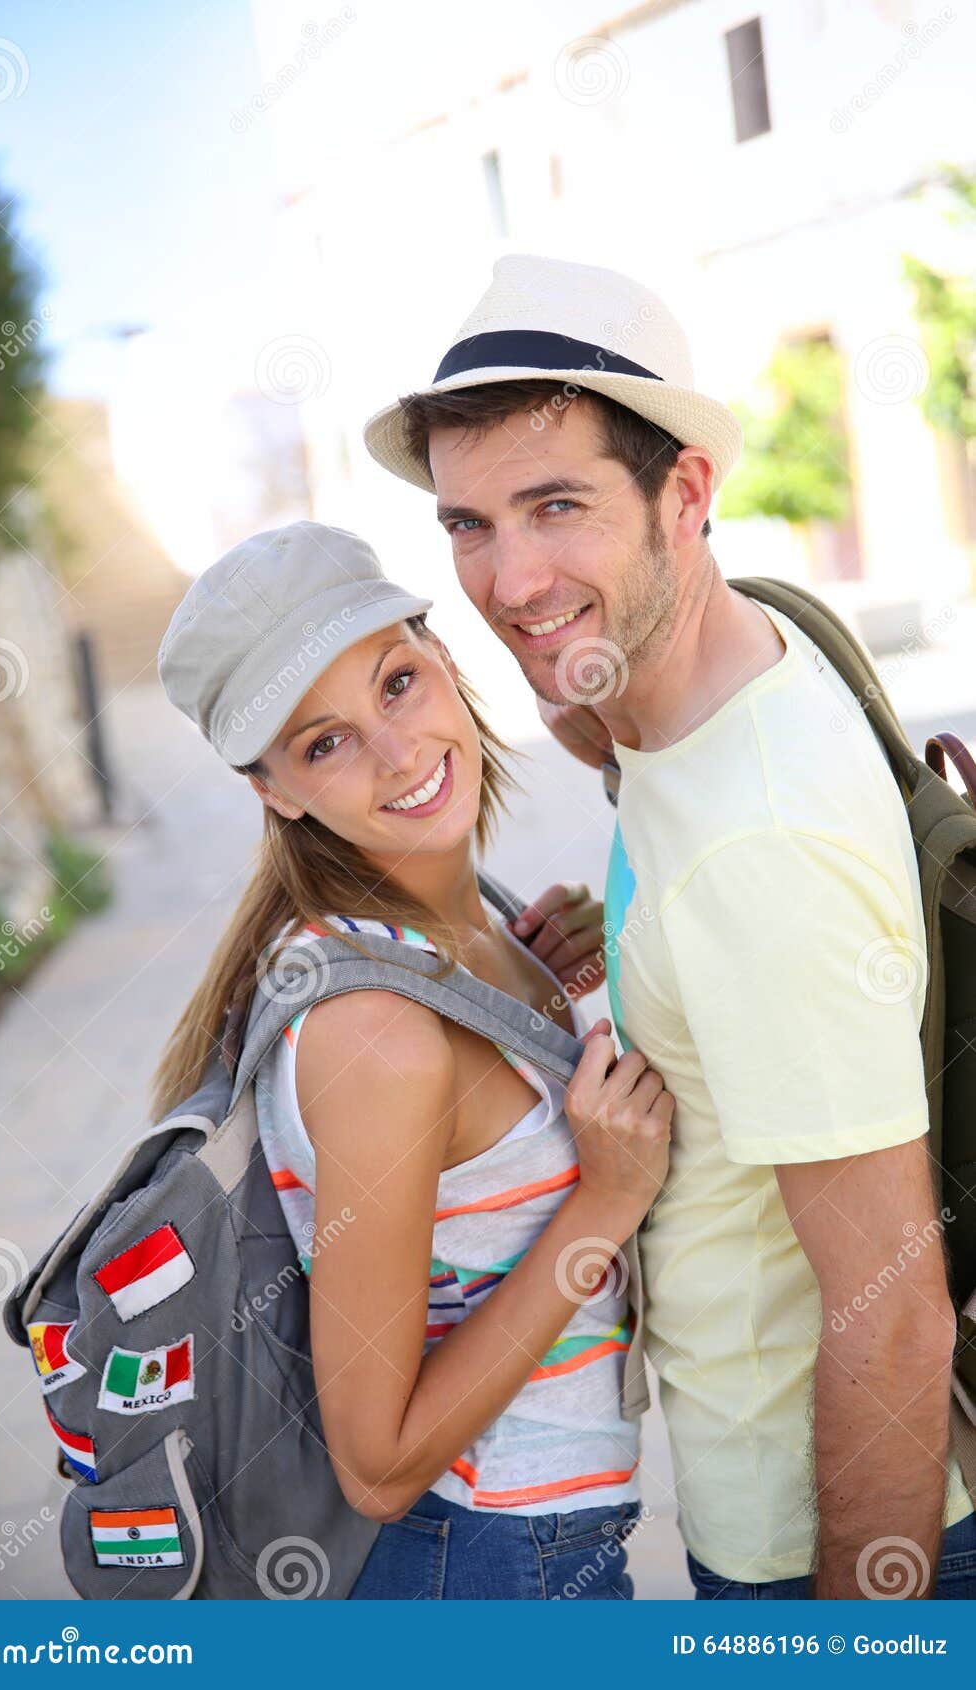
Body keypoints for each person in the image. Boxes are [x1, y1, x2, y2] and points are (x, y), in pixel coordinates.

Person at [360, 252, 976, 1599]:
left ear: (684, 494)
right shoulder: (723, 662)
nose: (508, 578)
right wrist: (640, 951)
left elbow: (891, 1321)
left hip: (822, 1535)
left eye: (556, 506)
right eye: (468, 523)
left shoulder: (755, 848)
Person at [153, 519, 674, 1600]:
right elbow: (378, 1463)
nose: (397, 755)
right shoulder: (378, 1034)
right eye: (324, 743)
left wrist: (536, 992)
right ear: (273, 790)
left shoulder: (446, 933)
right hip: (489, 1561)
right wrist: (604, 1201)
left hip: (520, 1548)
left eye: (395, 682)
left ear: (439, 654)